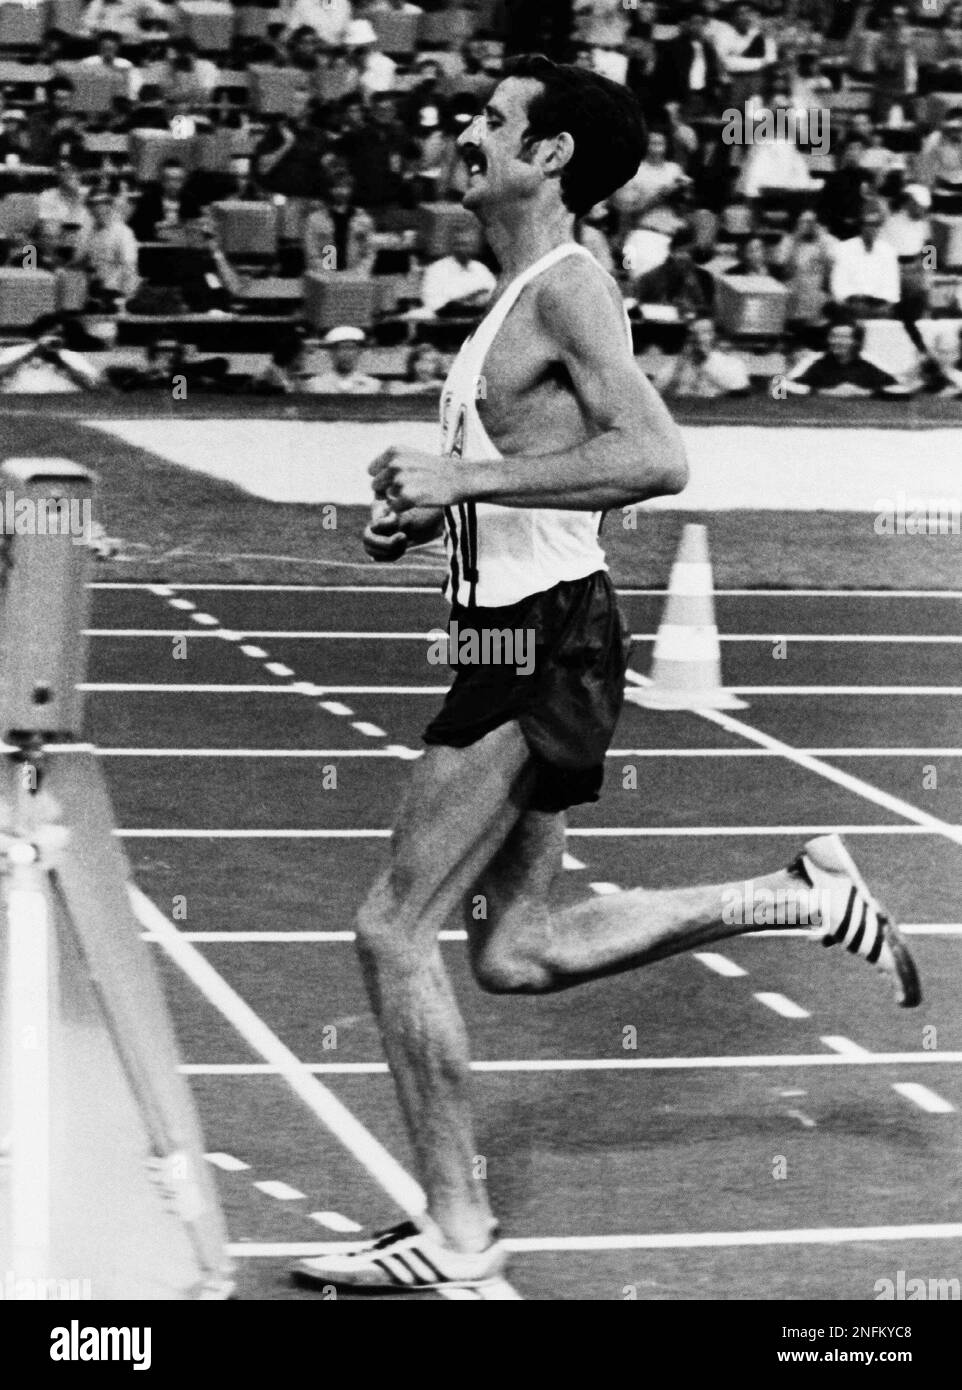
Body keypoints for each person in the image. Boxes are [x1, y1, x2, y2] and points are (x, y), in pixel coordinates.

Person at [293, 53, 920, 1296]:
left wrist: (462, 478)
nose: (464, 134)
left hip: (540, 639)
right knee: (515, 949)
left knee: (390, 927)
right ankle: (790, 894)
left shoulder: (568, 287)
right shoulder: (514, 294)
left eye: (490, 120)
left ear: (549, 154)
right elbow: (548, 473)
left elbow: (656, 455)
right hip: (513, 627)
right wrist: (429, 516)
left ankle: (457, 1230)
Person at [785, 318, 900, 395]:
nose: (837, 341)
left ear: (856, 342)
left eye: (844, 337)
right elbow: (780, 386)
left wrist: (867, 392)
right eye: (833, 336)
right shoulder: (813, 359)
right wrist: (821, 391)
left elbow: (901, 387)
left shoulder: (869, 360)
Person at [829, 201, 901, 318]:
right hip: (852, 306)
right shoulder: (844, 249)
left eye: (876, 225)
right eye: (868, 224)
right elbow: (839, 285)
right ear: (861, 226)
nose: (872, 229)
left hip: (880, 307)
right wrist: (853, 303)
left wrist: (880, 306)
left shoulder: (889, 251)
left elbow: (892, 288)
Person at [654, 315, 751, 398]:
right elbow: (659, 391)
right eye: (693, 334)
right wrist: (678, 369)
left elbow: (738, 389)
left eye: (705, 332)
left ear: (715, 336)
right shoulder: (676, 365)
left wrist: (705, 362)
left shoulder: (733, 363)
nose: (698, 338)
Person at [303, 171, 376, 274]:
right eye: (336, 187)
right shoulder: (315, 219)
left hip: (355, 277)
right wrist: (327, 273)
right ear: (329, 190)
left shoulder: (363, 219)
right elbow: (311, 252)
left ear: (352, 189)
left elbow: (369, 252)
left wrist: (358, 273)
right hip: (326, 276)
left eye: (345, 187)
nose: (341, 191)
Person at [420, 223, 496, 316]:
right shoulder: (436, 269)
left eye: (469, 244)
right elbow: (433, 304)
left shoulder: (481, 269)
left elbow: (494, 295)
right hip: (446, 321)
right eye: (460, 244)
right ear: (452, 246)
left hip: (479, 318)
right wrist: (466, 300)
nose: (464, 249)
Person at [304, 324, 381, 392]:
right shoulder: (316, 385)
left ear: (359, 352)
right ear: (331, 352)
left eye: (351, 348)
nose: (347, 354)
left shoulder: (372, 386)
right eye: (342, 348)